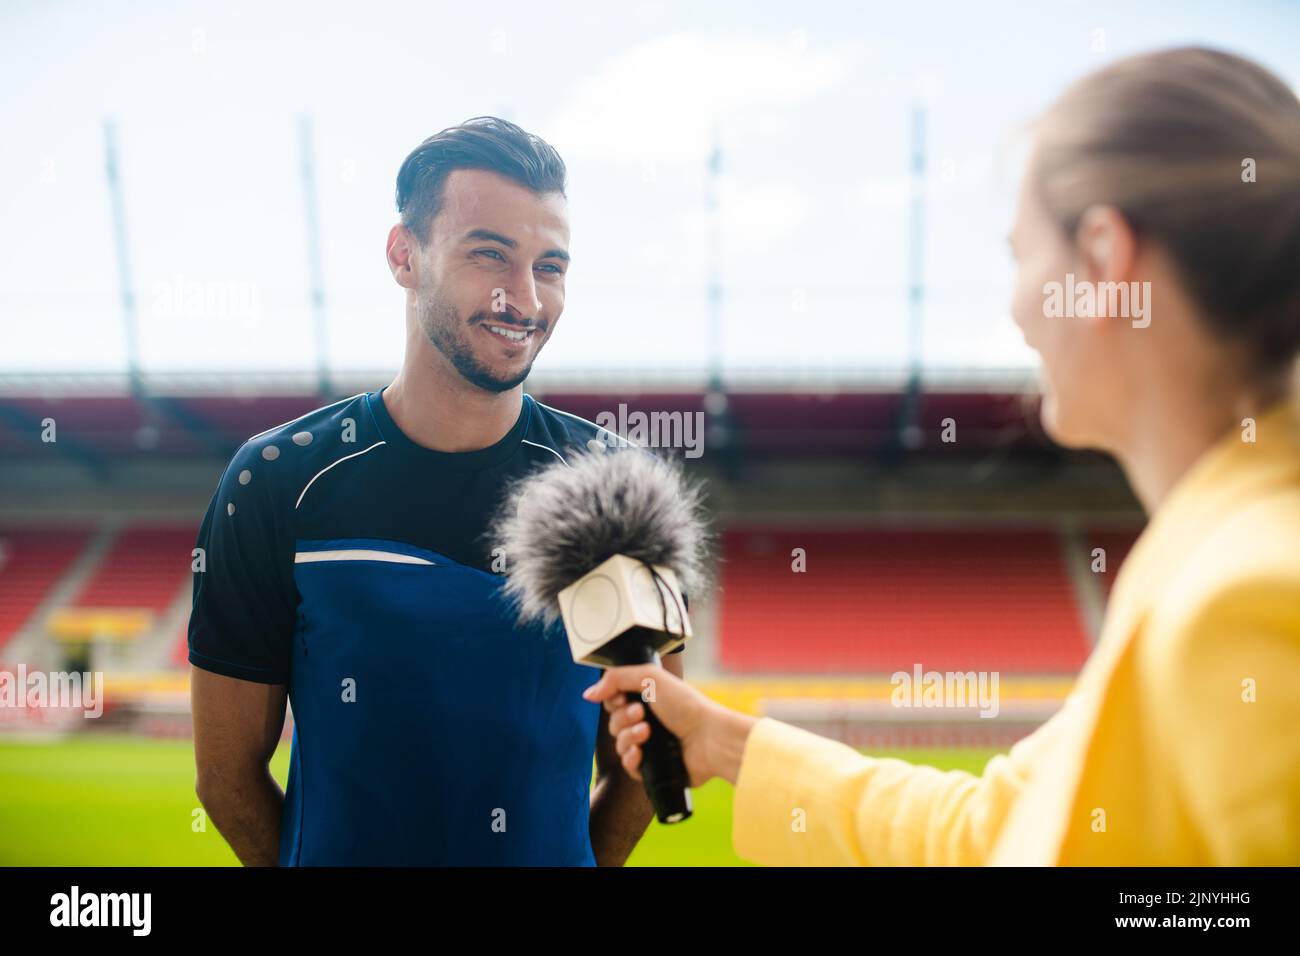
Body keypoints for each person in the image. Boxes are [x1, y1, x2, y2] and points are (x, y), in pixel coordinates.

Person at [586, 47, 1300, 865]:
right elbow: (994, 835)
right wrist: (726, 745)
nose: (1019, 307)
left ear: (1103, 261)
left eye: (1023, 255)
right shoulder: (1212, 564)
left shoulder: (1245, 600)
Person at [189, 117, 683, 866]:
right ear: (404, 255)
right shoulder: (276, 481)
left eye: (550, 266)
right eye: (490, 254)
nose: (524, 297)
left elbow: (649, 762)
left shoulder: (617, 493)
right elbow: (226, 778)